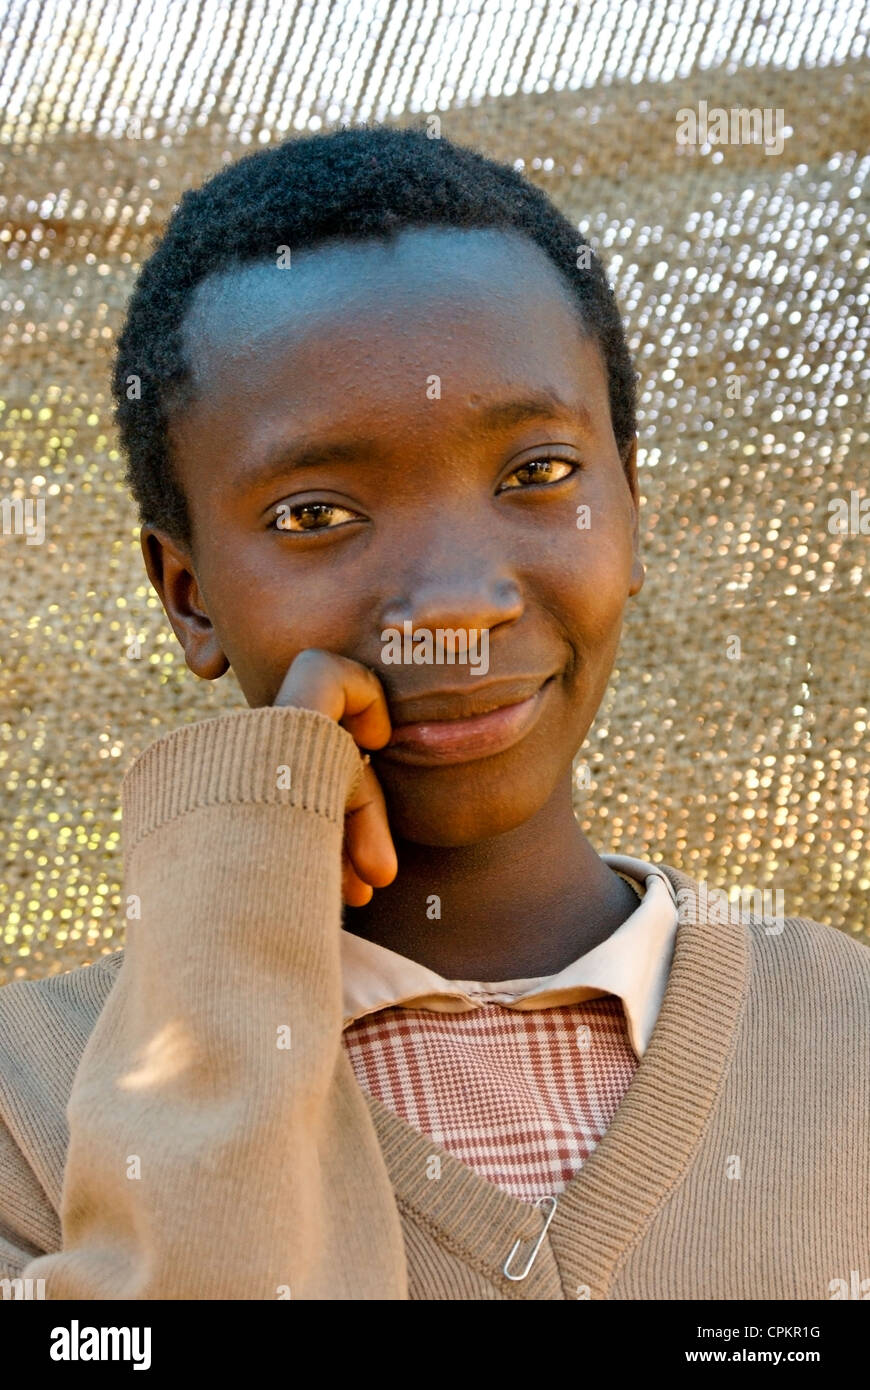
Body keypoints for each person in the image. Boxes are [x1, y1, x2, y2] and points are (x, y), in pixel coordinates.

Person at [0, 125, 867, 1301]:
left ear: (633, 512)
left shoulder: (845, 1039)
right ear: (188, 596)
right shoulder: (28, 1105)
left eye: (539, 474)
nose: (454, 603)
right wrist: (246, 873)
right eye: (315, 514)